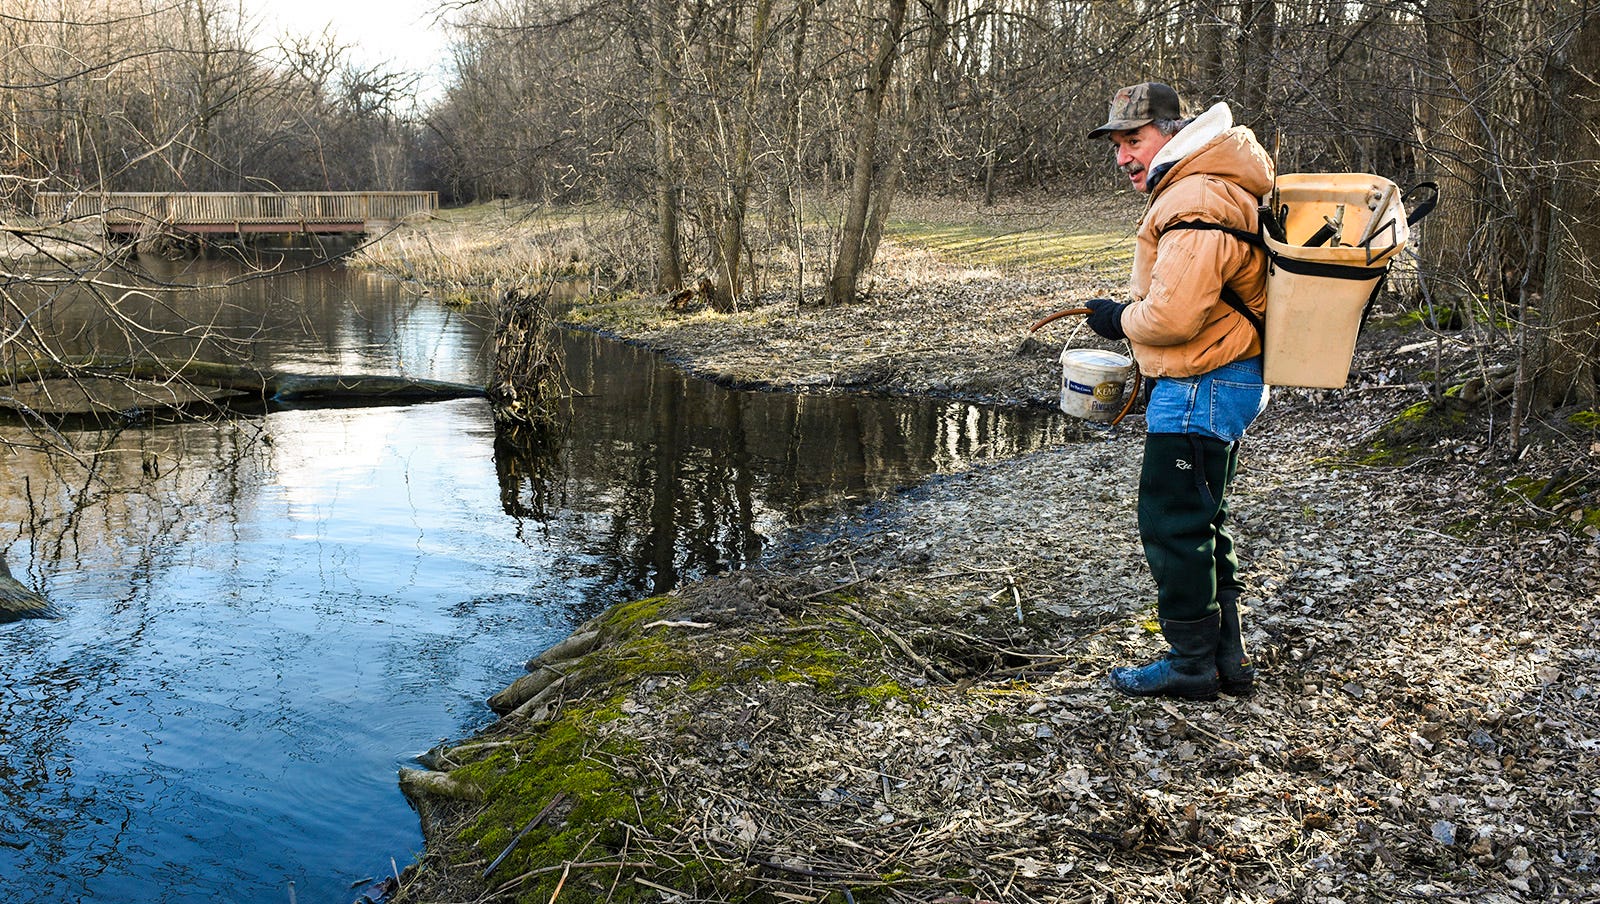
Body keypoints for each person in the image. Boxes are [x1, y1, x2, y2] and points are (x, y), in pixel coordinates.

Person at [1081, 82, 1274, 700]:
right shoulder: (1211, 186)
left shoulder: (1195, 195)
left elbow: (1172, 317)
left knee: (1173, 522)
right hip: (1218, 377)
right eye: (1116, 145)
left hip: (1202, 382)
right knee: (1202, 519)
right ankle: (1225, 659)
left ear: (1172, 130)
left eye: (1133, 140)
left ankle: (1191, 664)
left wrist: (1117, 320)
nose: (1123, 157)